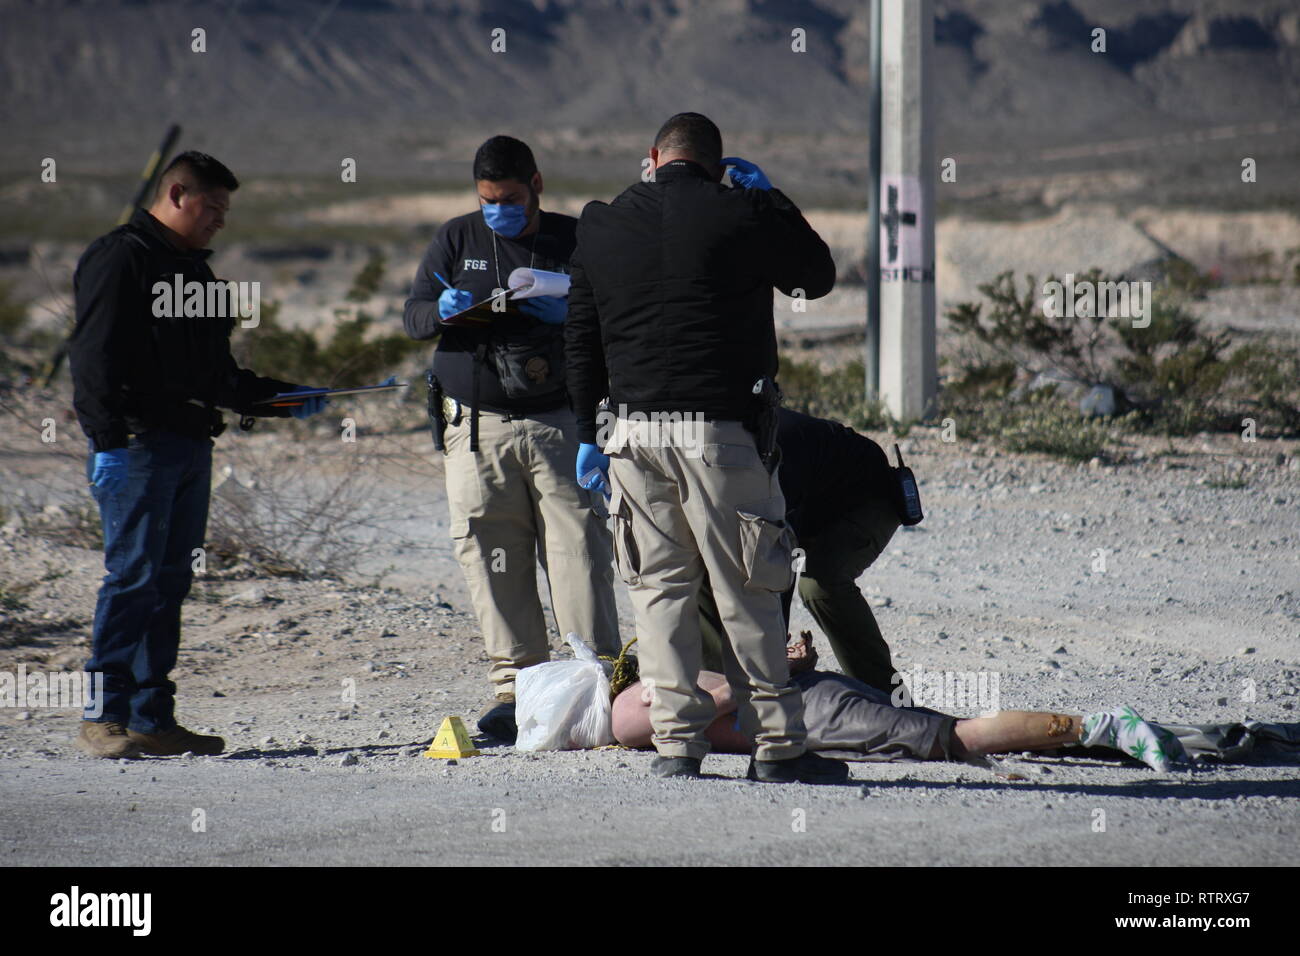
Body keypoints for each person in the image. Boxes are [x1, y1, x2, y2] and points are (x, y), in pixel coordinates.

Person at [565, 111, 842, 784]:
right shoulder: (740, 212)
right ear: (718, 164)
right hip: (719, 436)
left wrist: (588, 433)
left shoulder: (601, 223)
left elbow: (578, 338)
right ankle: (776, 748)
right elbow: (816, 276)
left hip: (631, 439)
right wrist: (768, 199)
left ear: (653, 156)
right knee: (747, 589)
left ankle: (677, 748)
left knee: (658, 594)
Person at [68, 151, 328, 759]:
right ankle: (102, 717)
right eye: (212, 207)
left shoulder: (197, 276)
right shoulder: (120, 258)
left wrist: (279, 398)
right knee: (131, 578)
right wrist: (105, 441)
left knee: (169, 583)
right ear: (178, 193)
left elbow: (218, 375)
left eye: (225, 210)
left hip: (190, 445)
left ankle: (153, 719)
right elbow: (92, 358)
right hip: (135, 449)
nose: (219, 221)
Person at [404, 135, 618, 742]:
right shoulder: (456, 238)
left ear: (538, 185)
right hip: (478, 424)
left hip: (562, 422)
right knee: (490, 548)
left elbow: (613, 313)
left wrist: (572, 305)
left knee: (579, 548)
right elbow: (414, 315)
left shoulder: (574, 239)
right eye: (488, 200)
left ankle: (594, 678)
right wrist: (444, 311)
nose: (500, 209)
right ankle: (517, 688)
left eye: (512, 198)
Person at [613, 634, 1300, 772]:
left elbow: (703, 708)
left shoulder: (620, 710)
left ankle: (1103, 725)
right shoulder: (644, 679)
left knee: (955, 738)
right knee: (953, 731)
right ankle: (1145, 734)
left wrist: (770, 667)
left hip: (818, 713)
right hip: (819, 704)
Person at [698, 407, 906, 694]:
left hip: (870, 497)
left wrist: (771, 658)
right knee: (704, 570)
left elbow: (775, 563)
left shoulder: (766, 455)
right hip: (813, 503)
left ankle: (886, 695)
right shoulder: (705, 453)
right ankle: (716, 687)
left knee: (820, 582)